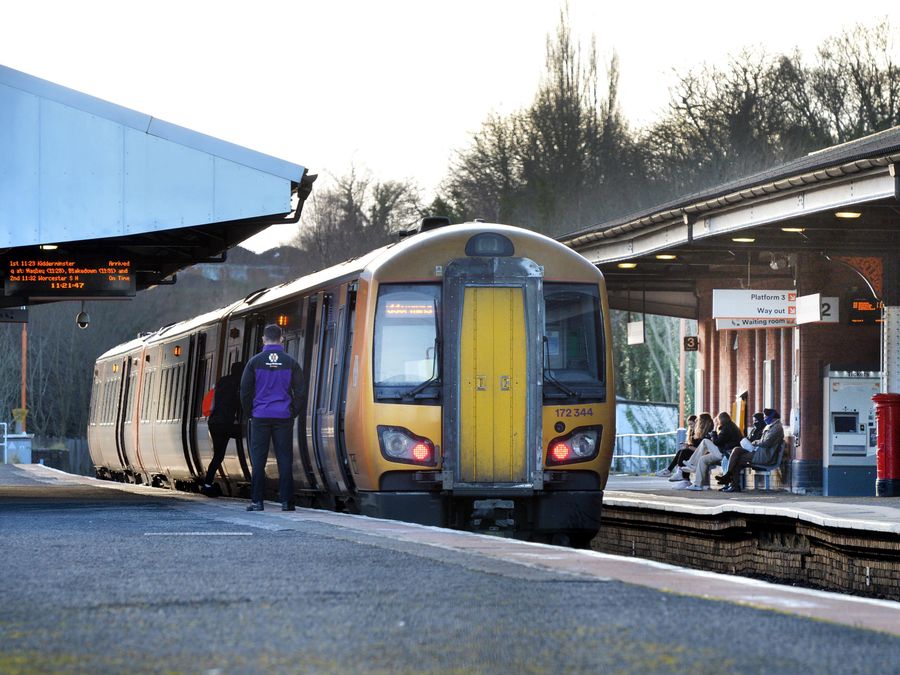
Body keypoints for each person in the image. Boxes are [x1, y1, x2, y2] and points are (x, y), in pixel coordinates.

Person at [240, 324, 303, 511]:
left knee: (259, 460)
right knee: (284, 459)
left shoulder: (254, 362)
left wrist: (249, 413)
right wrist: (293, 412)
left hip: (260, 416)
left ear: (263, 339)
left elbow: (245, 391)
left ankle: (257, 501)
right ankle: (287, 502)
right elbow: (300, 391)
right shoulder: (291, 363)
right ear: (282, 339)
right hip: (283, 416)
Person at [200, 361, 244, 496]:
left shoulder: (222, 382)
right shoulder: (237, 384)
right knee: (248, 433)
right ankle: (207, 485)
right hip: (225, 424)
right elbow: (237, 403)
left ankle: (207, 485)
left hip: (214, 423)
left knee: (218, 456)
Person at [715, 408, 784, 492]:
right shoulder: (771, 426)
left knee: (737, 460)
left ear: (772, 417)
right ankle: (730, 479)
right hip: (759, 451)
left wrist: (755, 442)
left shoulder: (776, 428)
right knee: (736, 450)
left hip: (764, 455)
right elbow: (764, 441)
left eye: (766, 416)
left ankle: (731, 481)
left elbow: (766, 442)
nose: (765, 419)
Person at [680, 411, 743, 491]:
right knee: (703, 459)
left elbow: (717, 442)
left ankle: (692, 463)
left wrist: (714, 431)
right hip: (722, 452)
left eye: (717, 420)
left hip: (725, 453)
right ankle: (697, 484)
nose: (716, 422)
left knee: (705, 441)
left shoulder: (727, 428)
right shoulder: (728, 427)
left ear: (721, 420)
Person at [668, 412, 714, 485]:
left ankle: (682, 475)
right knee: (682, 451)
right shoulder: (699, 432)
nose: (697, 423)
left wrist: (689, 447)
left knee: (684, 452)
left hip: (705, 455)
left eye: (698, 421)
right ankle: (678, 474)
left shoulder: (707, 433)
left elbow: (702, 450)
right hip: (699, 454)